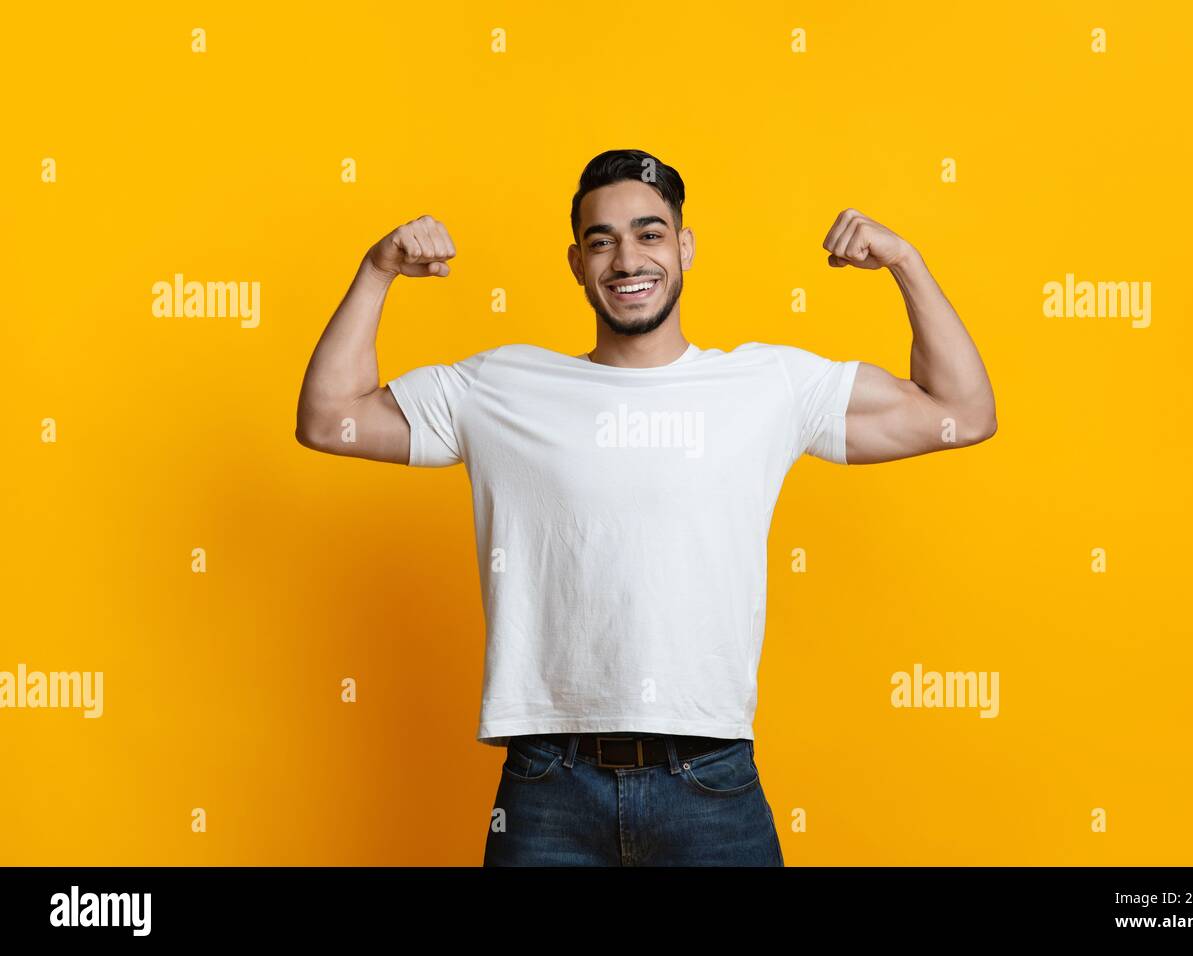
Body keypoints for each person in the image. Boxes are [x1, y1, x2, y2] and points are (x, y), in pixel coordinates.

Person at [294, 148, 997, 866]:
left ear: (685, 247)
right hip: (547, 786)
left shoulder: (768, 384)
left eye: (650, 233)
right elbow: (327, 418)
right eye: (603, 240)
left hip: (710, 782)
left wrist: (905, 261)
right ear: (577, 263)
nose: (628, 258)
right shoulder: (500, 387)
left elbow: (961, 412)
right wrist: (376, 270)